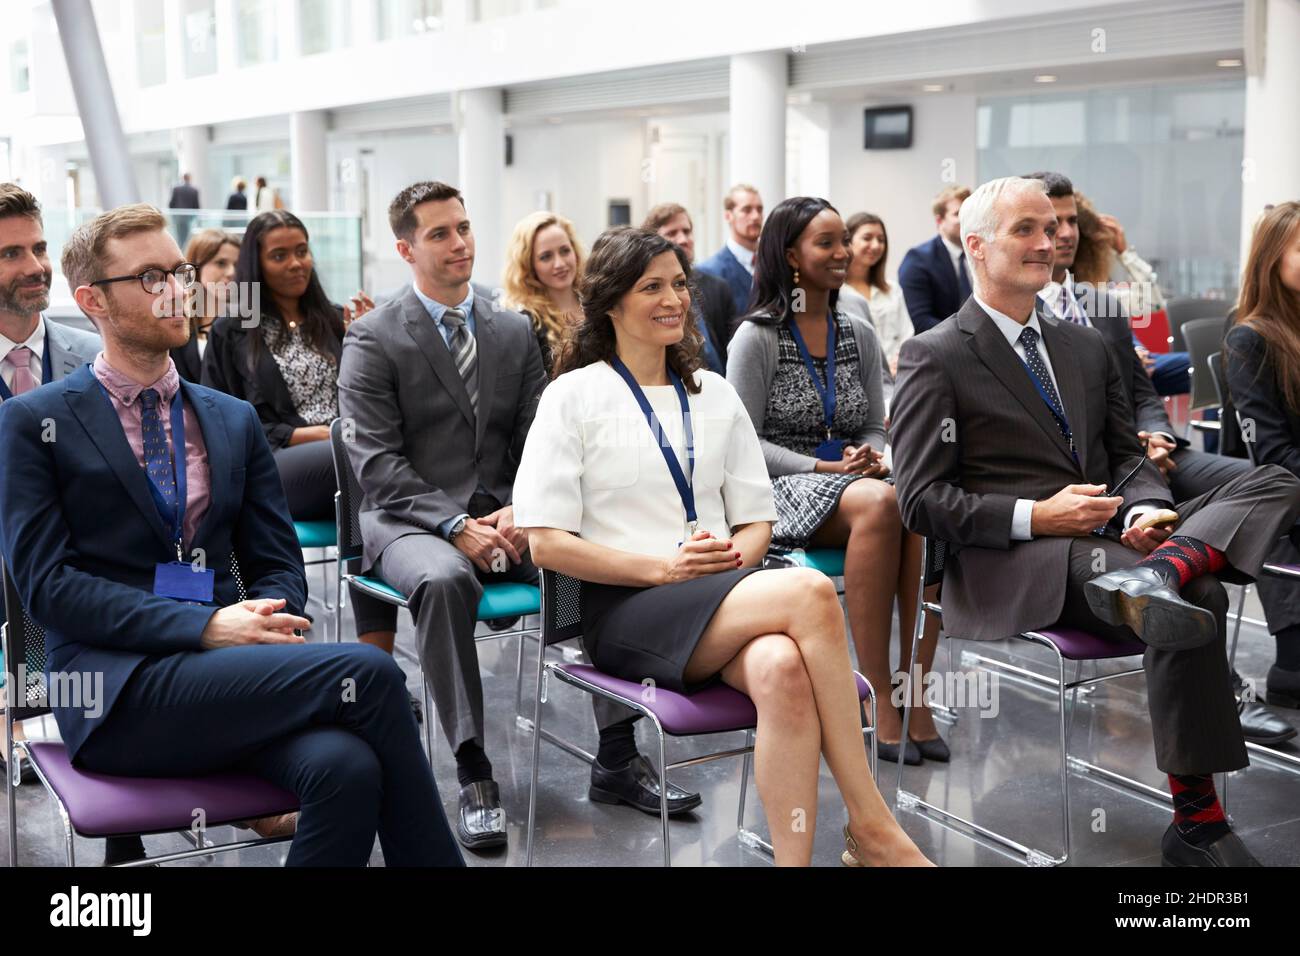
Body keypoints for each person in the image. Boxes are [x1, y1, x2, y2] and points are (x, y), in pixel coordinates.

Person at [0, 203, 463, 867]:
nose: (177, 289)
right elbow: (49, 589)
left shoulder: (230, 418)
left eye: (179, 271)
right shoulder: (35, 422)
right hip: (117, 690)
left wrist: (266, 619)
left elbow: (278, 564)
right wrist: (207, 627)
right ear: (91, 301)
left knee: (346, 766)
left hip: (227, 675)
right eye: (151, 276)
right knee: (371, 669)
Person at [889, 176, 1300, 866]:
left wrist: (1145, 507)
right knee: (1192, 596)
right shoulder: (935, 354)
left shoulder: (1084, 348)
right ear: (976, 243)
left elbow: (1125, 453)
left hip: (1112, 539)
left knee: (1278, 480)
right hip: (1014, 559)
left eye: (1051, 229)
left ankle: (1164, 568)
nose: (1047, 242)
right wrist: (1037, 516)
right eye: (1026, 229)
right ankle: (1197, 819)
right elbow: (921, 501)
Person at [513, 226, 932, 867]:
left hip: (718, 591)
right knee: (814, 588)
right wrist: (662, 567)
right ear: (610, 303)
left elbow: (757, 519)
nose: (673, 298)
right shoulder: (572, 396)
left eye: (679, 283)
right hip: (627, 609)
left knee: (782, 671)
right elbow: (545, 545)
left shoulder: (714, 394)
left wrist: (737, 559)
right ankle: (871, 823)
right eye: (651, 286)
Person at [338, 182, 698, 852]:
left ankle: (617, 754)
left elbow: (543, 438)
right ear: (405, 249)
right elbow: (376, 464)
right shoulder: (373, 336)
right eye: (440, 233)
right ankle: (474, 772)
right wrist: (455, 525)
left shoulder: (508, 329)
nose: (460, 243)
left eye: (465, 227)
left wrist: (526, 509)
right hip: (408, 521)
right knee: (445, 580)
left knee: (595, 549)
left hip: (511, 510)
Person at [1026, 172, 1294, 747]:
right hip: (1085, 475)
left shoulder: (1099, 304)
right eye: (1051, 224)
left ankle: (1161, 569)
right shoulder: (1013, 317)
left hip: (1146, 456)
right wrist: (1132, 454)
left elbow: (1141, 393)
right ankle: (1224, 666)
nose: (1066, 234)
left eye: (1073, 221)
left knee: (1273, 482)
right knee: (1208, 564)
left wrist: (1156, 436)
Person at [727, 197, 942, 765]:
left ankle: (914, 692)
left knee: (918, 502)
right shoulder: (757, 337)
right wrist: (826, 468)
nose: (844, 253)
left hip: (854, 481)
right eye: (828, 243)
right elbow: (742, 444)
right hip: (779, 488)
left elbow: (874, 424)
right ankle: (871, 697)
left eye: (843, 240)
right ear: (791, 256)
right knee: (880, 504)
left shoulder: (858, 330)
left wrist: (872, 456)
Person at [201, 210, 374, 522]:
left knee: (388, 450)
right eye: (279, 256)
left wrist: (367, 345)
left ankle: (372, 560)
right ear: (257, 265)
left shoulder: (335, 320)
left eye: (302, 251)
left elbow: (368, 397)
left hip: (345, 446)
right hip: (274, 461)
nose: (296, 263)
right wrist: (306, 435)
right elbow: (219, 420)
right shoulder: (233, 330)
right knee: (363, 456)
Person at [1224, 201, 1300, 710]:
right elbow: (1273, 456)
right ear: (1273, 258)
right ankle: (1291, 669)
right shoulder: (1250, 339)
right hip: (1283, 495)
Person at [643, 202, 734, 373]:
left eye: (686, 231)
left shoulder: (718, 287)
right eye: (672, 233)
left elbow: (730, 349)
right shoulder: (646, 292)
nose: (683, 240)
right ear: (653, 240)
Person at [501, 211, 586, 376]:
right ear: (529, 265)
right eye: (546, 257)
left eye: (564, 251)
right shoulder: (527, 324)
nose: (559, 263)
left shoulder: (596, 302)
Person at [839, 211, 913, 380]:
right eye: (867, 238)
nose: (875, 245)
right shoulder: (837, 293)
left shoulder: (892, 290)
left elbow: (907, 334)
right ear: (848, 241)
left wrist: (899, 364)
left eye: (881, 240)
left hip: (898, 376)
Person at [897, 185, 972, 334]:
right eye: (958, 214)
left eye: (970, 213)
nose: (967, 219)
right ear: (939, 221)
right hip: (943, 348)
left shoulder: (983, 254)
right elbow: (920, 321)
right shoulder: (917, 260)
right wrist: (967, 336)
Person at [171, 228, 239, 382]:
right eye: (221, 263)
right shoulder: (177, 317)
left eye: (238, 264)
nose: (231, 272)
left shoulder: (248, 318)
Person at [696, 184, 763, 315]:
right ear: (728, 216)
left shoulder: (774, 263)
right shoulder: (710, 272)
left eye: (759, 209)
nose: (755, 216)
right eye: (747, 210)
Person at [167, 173, 201, 249]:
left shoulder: (176, 188)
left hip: (178, 217)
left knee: (179, 236)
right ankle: (185, 250)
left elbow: (171, 203)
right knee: (187, 236)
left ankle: (180, 250)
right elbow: (197, 206)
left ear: (183, 178)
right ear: (190, 178)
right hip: (189, 218)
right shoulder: (194, 190)